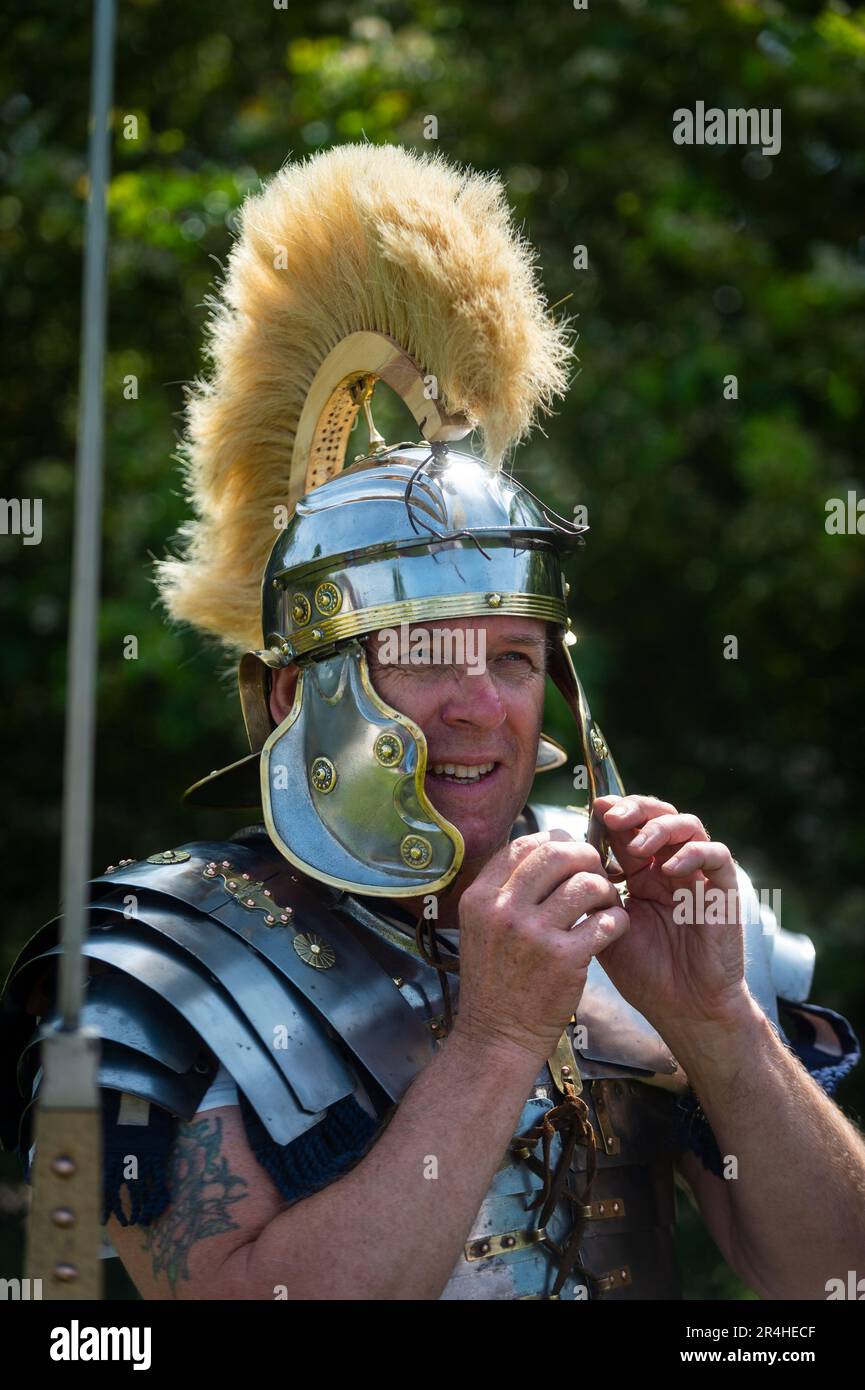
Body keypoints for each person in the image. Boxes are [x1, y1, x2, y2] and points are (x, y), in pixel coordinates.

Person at [2, 143, 862, 1302]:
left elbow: (836, 1280)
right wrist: (497, 1042)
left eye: (512, 657)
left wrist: (717, 1025)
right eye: (420, 656)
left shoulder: (655, 917)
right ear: (295, 692)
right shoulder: (169, 966)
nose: (477, 702)